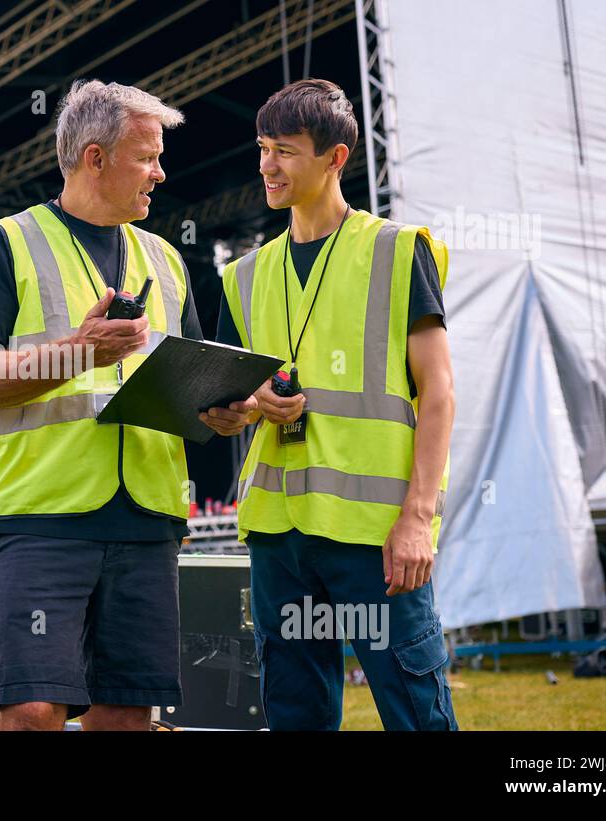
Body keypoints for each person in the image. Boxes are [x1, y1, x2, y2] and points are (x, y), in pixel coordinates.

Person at [0, 79, 204, 731]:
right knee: (33, 711)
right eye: (147, 156)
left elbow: (192, 382)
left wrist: (224, 407)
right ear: (94, 158)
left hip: (147, 519)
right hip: (40, 516)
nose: (160, 172)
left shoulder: (169, 261)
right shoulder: (4, 243)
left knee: (124, 718)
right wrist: (77, 353)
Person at [201, 79, 458, 730]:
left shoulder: (398, 251)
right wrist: (245, 405)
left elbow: (440, 391)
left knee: (416, 713)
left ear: (335, 158)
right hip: (278, 539)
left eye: (285, 150)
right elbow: (232, 405)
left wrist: (417, 518)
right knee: (296, 716)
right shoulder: (244, 276)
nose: (267, 165)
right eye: (262, 148)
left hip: (375, 540)